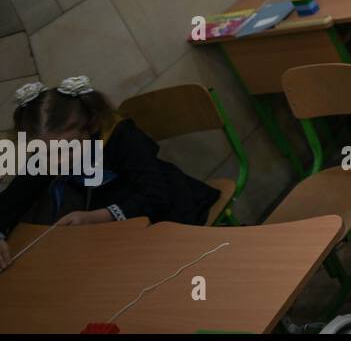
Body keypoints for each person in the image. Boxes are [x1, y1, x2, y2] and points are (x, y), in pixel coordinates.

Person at [0, 77, 221, 270]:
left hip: (169, 211)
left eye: (68, 149)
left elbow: (155, 195)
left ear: (93, 125)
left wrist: (95, 217)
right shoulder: (49, 153)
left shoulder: (122, 137)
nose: (57, 161)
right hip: (114, 233)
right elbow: (12, 199)